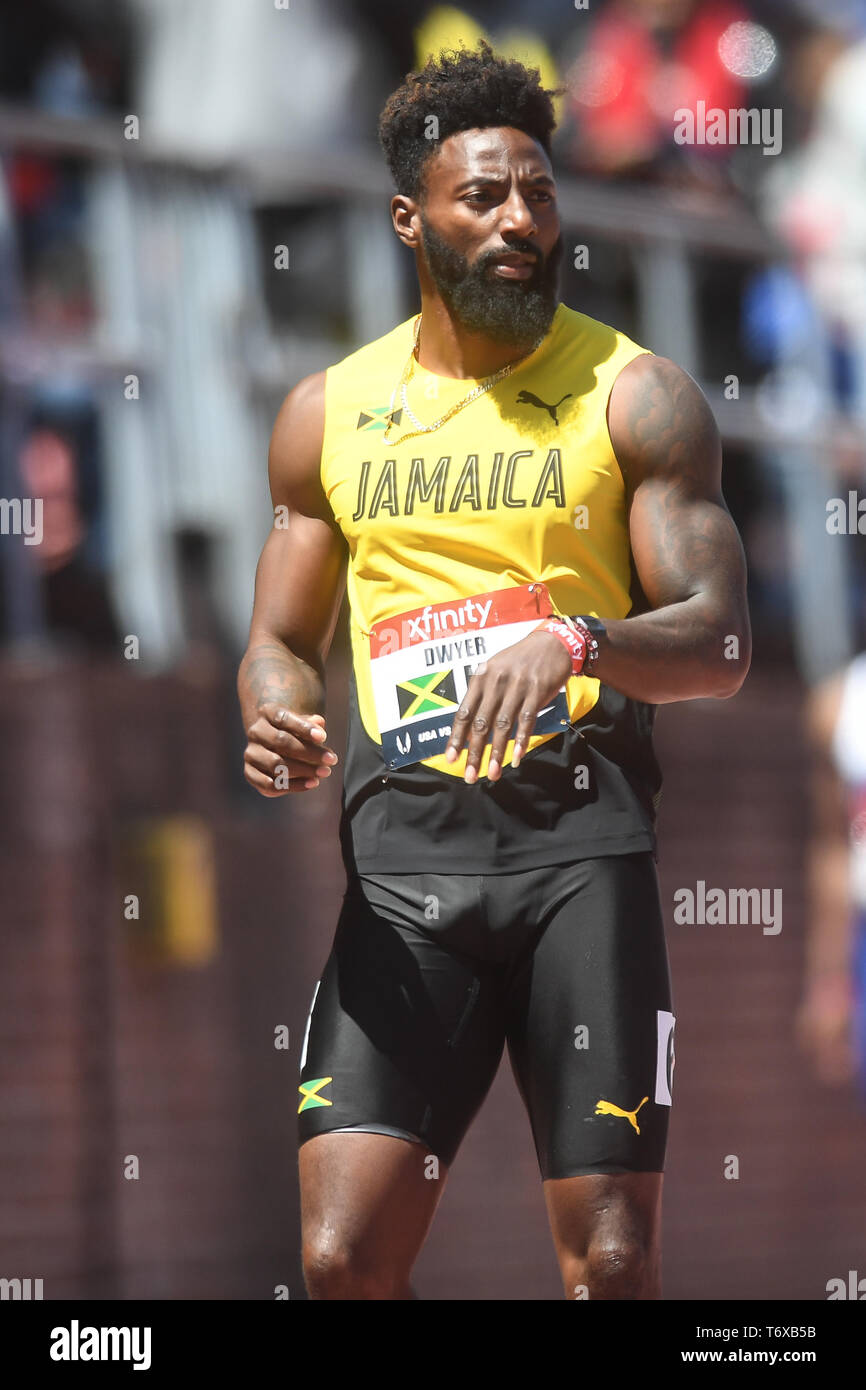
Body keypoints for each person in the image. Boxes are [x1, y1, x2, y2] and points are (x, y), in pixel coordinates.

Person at [237, 39, 751, 1300]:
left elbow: (722, 642)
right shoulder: (328, 414)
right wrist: (278, 716)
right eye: (484, 197)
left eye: (538, 192)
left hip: (580, 868)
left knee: (610, 1265)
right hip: (403, 884)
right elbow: (278, 643)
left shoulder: (635, 397)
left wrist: (579, 640)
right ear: (411, 219)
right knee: (340, 1257)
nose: (521, 219)